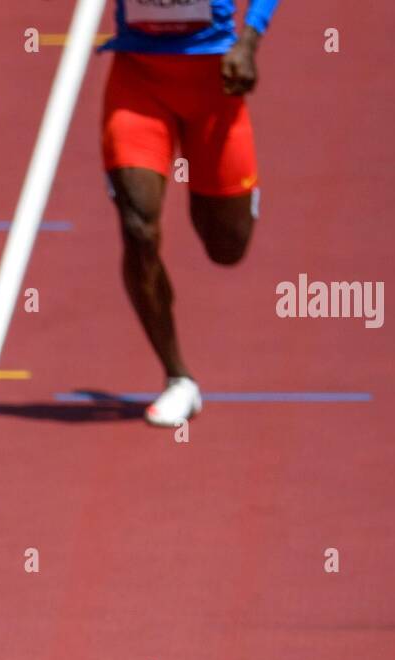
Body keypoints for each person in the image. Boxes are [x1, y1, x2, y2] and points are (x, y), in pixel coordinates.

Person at [98, 0, 280, 425]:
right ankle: (178, 377)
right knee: (138, 227)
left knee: (226, 246)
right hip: (138, 80)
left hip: (216, 77)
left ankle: (231, 192)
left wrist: (249, 40)